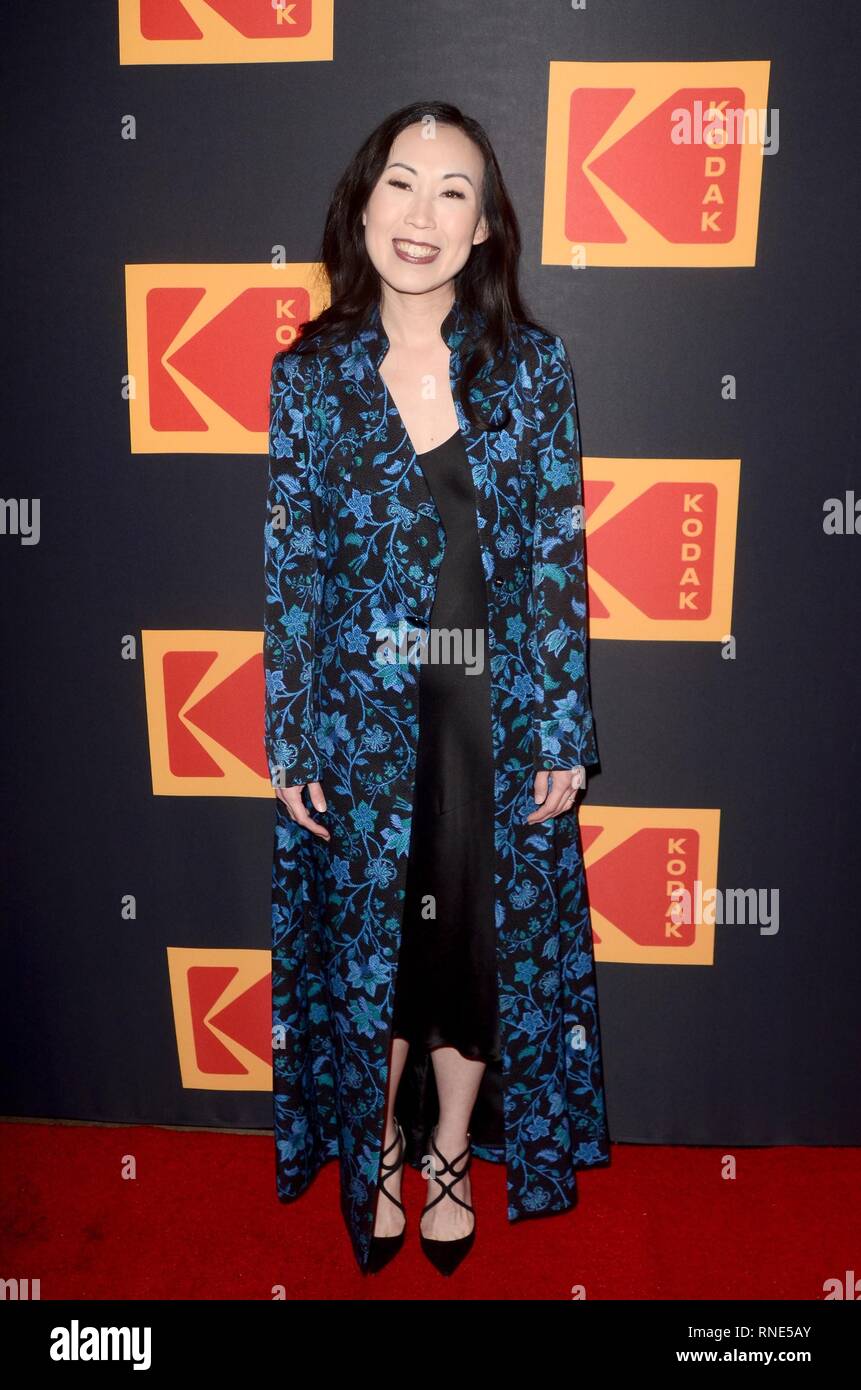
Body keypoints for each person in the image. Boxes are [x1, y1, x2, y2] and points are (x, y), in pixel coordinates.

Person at [264, 101, 610, 1277]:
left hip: (491, 717)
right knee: (378, 947)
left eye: (452, 190)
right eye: (400, 183)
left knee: (468, 947)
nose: (420, 214)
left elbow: (560, 553)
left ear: (484, 225)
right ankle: (373, 1135)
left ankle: (451, 1146)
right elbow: (295, 563)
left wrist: (563, 721)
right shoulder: (307, 376)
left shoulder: (534, 368)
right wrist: (293, 731)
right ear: (363, 202)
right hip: (363, 722)